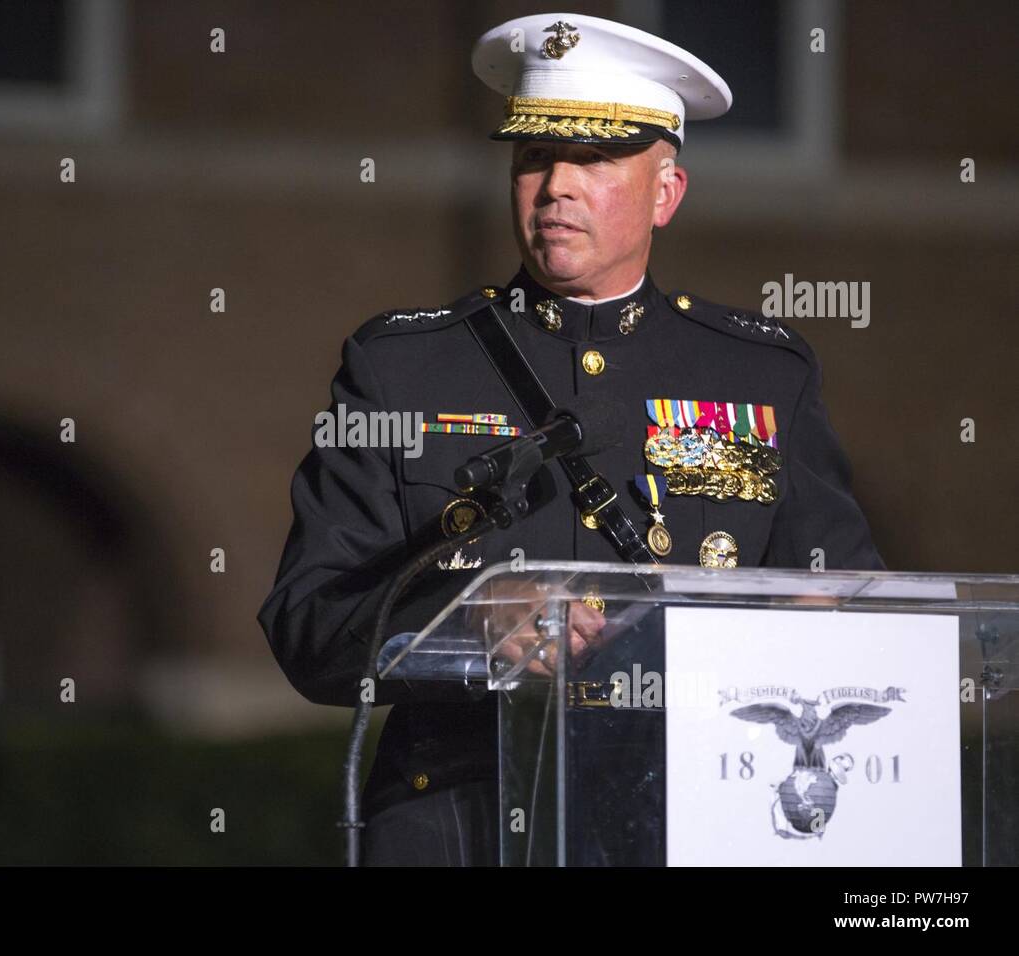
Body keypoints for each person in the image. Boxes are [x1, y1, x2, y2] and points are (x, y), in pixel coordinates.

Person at [258, 13, 883, 866]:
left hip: (689, 819)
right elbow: (308, 626)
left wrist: (812, 625)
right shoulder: (406, 367)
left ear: (665, 193)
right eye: (532, 158)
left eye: (592, 160)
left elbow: (844, 600)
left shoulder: (759, 376)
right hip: (460, 824)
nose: (555, 185)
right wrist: (469, 617)